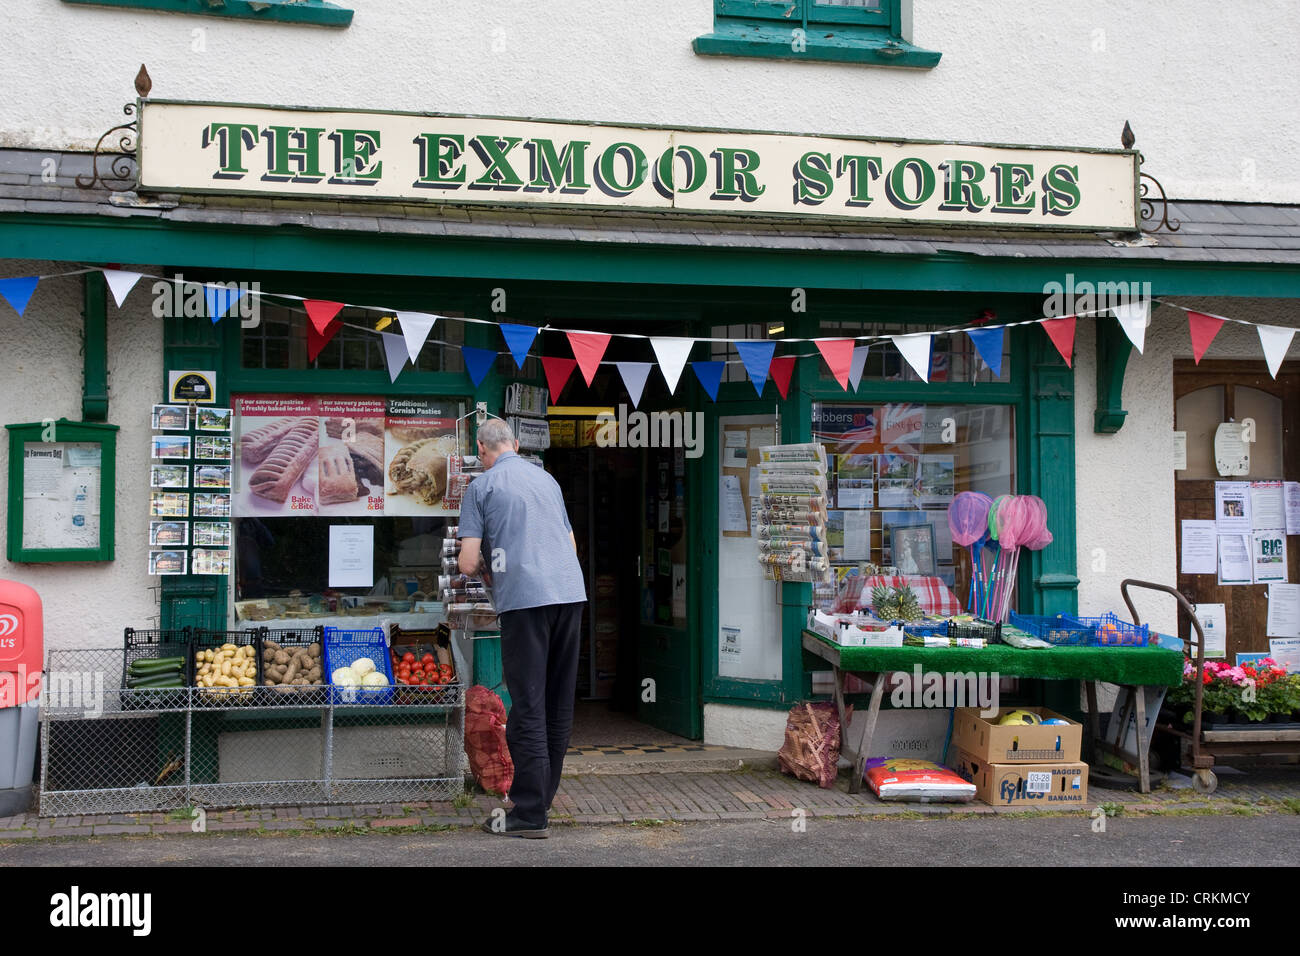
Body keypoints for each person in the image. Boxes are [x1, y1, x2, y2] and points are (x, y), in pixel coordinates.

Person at [457, 418, 587, 838]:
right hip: (570, 595)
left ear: (481, 448)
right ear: (514, 443)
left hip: (525, 602)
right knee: (557, 703)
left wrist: (487, 566)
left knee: (528, 704)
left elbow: (467, 562)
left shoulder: (481, 487)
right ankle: (541, 801)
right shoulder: (547, 480)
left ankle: (529, 814)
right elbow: (570, 545)